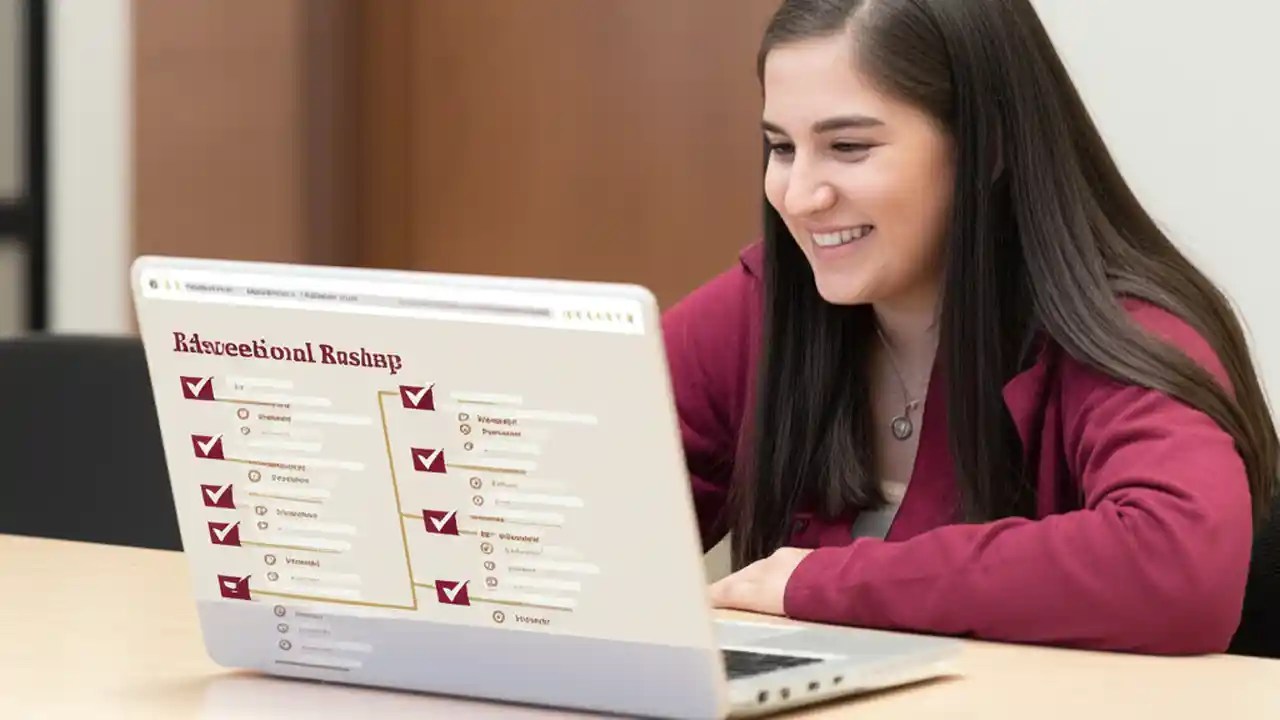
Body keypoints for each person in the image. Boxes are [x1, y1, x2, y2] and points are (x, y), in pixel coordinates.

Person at [663, 0, 1280, 655]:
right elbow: (568, 506)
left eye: (848, 147)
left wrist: (815, 583)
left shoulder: (1122, 328)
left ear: (986, 148)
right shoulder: (763, 306)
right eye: (783, 147)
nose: (798, 194)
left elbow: (1176, 568)